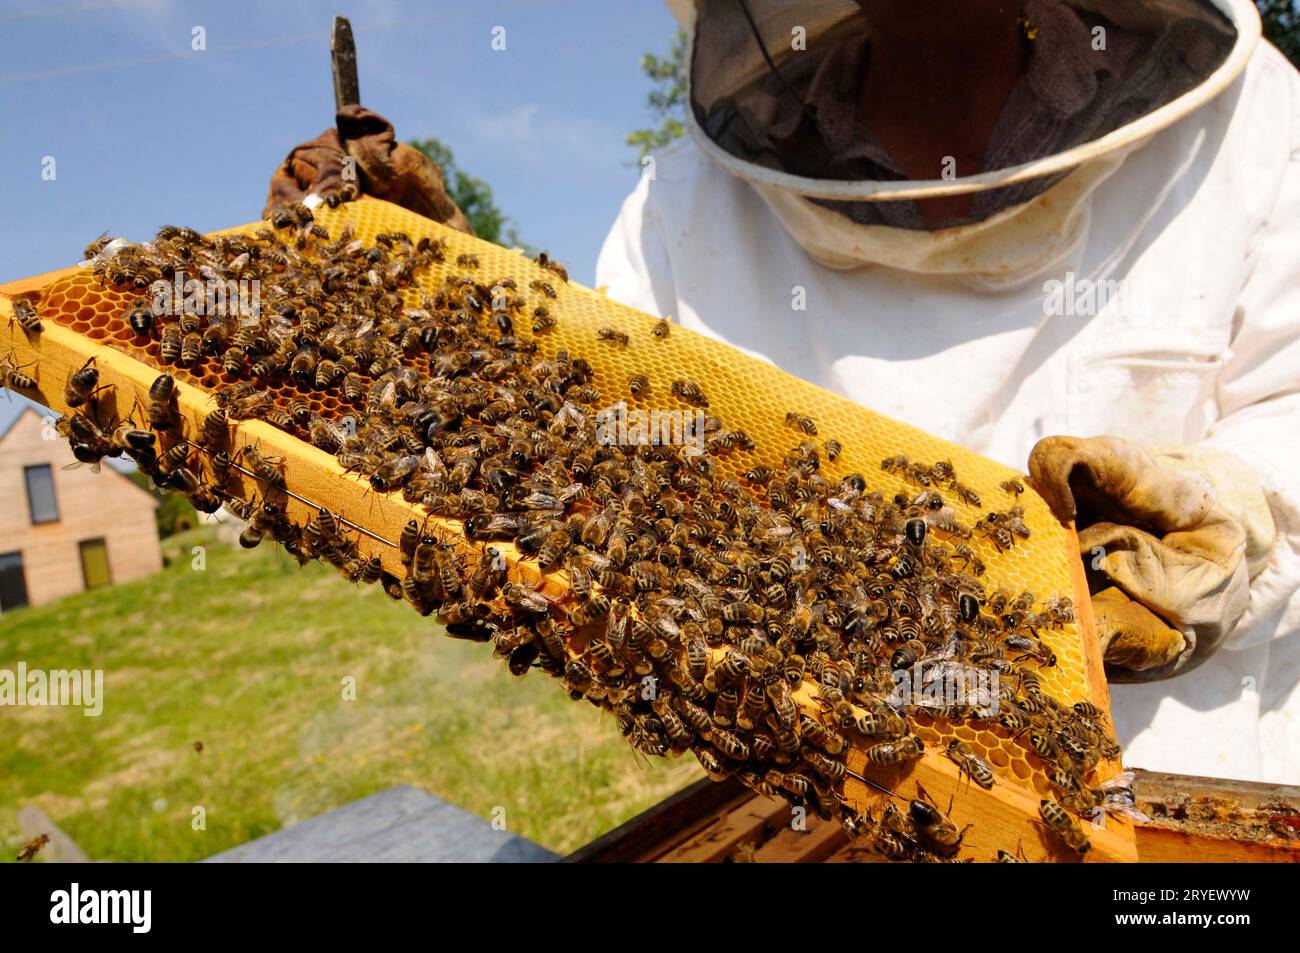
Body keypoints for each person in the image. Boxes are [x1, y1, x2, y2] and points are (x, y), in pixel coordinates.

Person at [267, 0, 1299, 784]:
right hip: (822, 794)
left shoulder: (1253, 129)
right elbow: (587, 459)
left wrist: (1233, 516)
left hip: (1180, 792)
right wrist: (442, 320)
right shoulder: (682, 207)